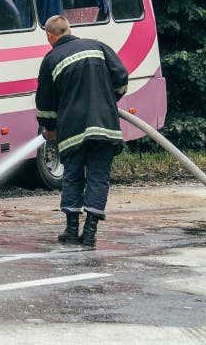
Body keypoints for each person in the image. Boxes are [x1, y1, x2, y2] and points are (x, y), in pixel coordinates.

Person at [36, 15, 128, 247]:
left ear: (49, 36)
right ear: (69, 30)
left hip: (73, 130)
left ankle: (71, 231)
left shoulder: (51, 59)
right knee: (98, 178)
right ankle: (89, 233)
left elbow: (45, 102)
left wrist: (49, 128)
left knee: (73, 178)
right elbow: (121, 77)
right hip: (105, 127)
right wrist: (109, 99)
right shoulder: (97, 47)